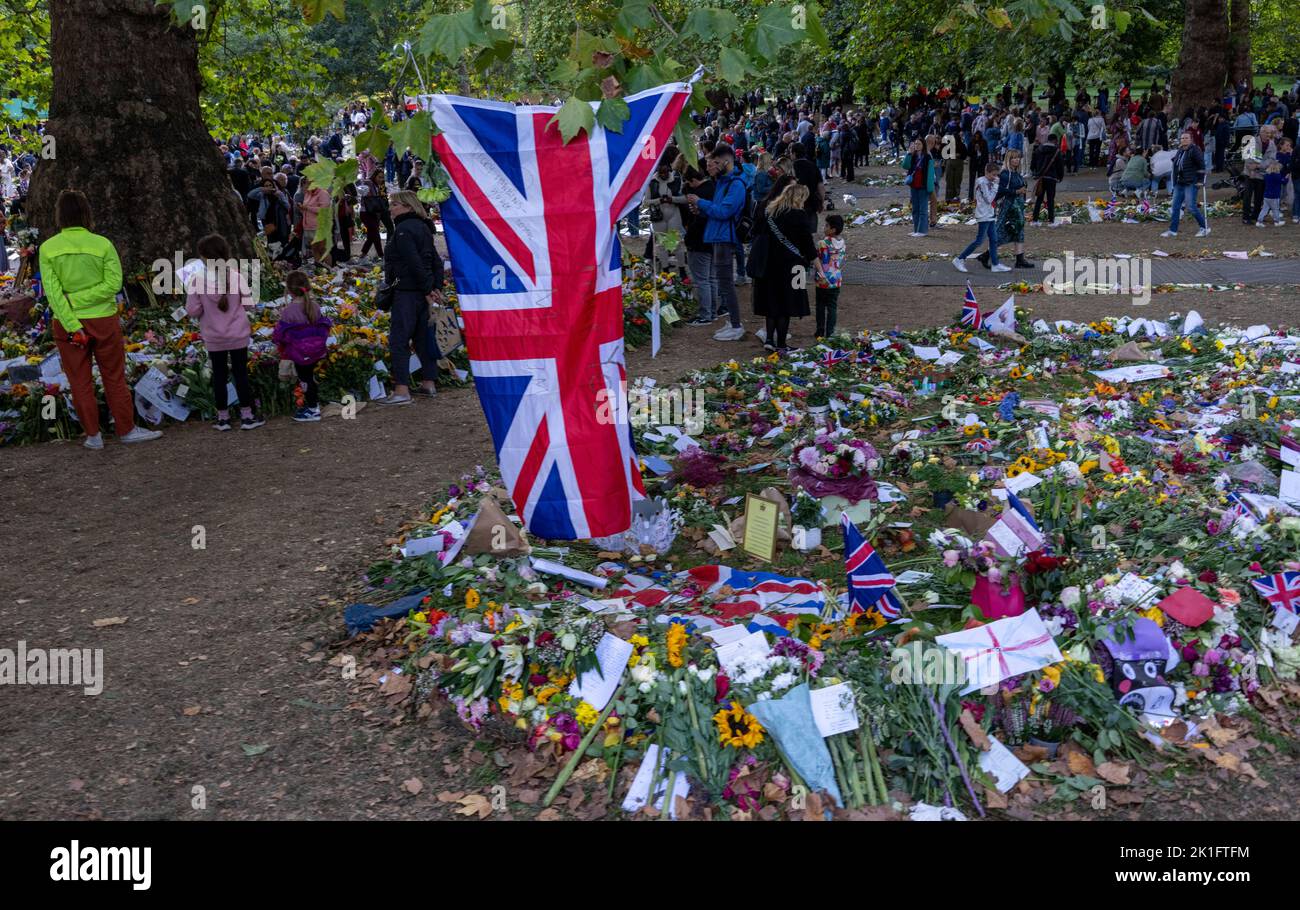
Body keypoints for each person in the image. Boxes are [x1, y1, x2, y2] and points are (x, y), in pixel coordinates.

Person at [40, 190, 161, 448]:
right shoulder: (103, 244)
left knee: (79, 380)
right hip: (103, 318)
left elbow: (53, 294)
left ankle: (93, 435)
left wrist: (73, 314)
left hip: (67, 321)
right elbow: (114, 283)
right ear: (87, 213)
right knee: (114, 376)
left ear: (59, 215)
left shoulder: (48, 248)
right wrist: (86, 299)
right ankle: (126, 429)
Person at [185, 234, 262, 431]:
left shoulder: (196, 280)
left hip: (214, 336)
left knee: (218, 376)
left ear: (203, 257)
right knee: (240, 374)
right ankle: (247, 415)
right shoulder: (236, 276)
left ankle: (223, 418)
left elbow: (192, 311)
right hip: (238, 334)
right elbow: (250, 304)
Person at [379, 190, 440, 403]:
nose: (390, 208)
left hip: (407, 292)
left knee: (399, 340)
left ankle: (402, 390)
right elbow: (435, 260)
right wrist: (435, 287)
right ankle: (429, 383)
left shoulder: (403, 230)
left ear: (408, 206)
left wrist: (427, 290)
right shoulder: (424, 227)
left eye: (394, 204)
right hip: (423, 293)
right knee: (424, 339)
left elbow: (413, 262)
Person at [685, 146, 747, 342]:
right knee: (722, 282)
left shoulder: (735, 185)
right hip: (716, 236)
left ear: (726, 162)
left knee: (726, 283)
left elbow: (724, 212)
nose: (712, 166)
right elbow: (717, 211)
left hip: (724, 239)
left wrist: (701, 202)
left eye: (716, 163)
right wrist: (701, 211)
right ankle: (732, 321)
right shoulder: (722, 182)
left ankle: (736, 325)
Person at [751, 182, 819, 353]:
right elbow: (808, 246)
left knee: (771, 304)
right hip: (791, 266)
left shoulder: (770, 212)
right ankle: (781, 343)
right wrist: (820, 267)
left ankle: (768, 339)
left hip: (767, 265)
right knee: (787, 305)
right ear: (800, 198)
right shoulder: (799, 216)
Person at [273, 271, 331, 422]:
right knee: (310, 377)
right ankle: (313, 405)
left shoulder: (288, 312)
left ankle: (313, 409)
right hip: (315, 351)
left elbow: (280, 336)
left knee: (305, 379)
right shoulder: (315, 306)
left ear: (289, 291)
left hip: (299, 353)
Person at [680, 159, 717, 326]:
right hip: (713, 239)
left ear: (693, 180)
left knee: (702, 279)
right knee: (711, 278)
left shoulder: (700, 194)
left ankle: (705, 314)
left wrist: (688, 237)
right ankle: (714, 310)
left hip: (699, 240)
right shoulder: (714, 187)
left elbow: (698, 219)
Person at [954, 163, 1009, 272]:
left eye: (996, 175)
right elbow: (989, 199)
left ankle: (995, 264)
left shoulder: (989, 182)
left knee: (994, 239)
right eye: (993, 175)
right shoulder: (982, 182)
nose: (995, 177)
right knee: (979, 240)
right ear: (987, 172)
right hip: (983, 214)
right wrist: (996, 186)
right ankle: (960, 259)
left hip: (990, 214)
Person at [984, 149, 1031, 269]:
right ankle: (986, 255)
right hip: (1009, 207)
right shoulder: (1005, 174)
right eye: (1013, 158)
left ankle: (1019, 259)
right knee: (1002, 232)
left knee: (1019, 231)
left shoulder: (1016, 173)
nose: (1016, 160)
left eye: (1018, 158)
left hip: (1017, 207)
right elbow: (1000, 191)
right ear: (1008, 160)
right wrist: (1016, 191)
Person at [1161, 131, 1211, 238]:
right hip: (1179, 183)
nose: (1183, 140)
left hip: (1191, 182)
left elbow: (1201, 165)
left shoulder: (1194, 150)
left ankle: (1204, 227)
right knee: (1175, 207)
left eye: (1186, 138)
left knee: (1191, 206)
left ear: (1191, 139)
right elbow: (1177, 164)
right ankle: (1172, 230)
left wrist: (1200, 181)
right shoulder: (1180, 150)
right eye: (1182, 138)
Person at [647, 158, 685, 272]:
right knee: (662, 244)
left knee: (676, 243)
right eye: (661, 172)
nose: (663, 175)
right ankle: (665, 269)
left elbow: (684, 198)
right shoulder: (651, 181)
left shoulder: (677, 180)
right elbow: (646, 201)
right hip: (658, 216)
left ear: (669, 170)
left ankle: (682, 269)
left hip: (673, 214)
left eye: (665, 172)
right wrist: (659, 200)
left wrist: (672, 199)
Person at [814, 213, 844, 338]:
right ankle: (830, 332)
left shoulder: (822, 243)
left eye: (827, 226)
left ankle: (820, 330)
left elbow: (820, 260)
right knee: (832, 306)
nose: (824, 228)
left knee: (820, 305)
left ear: (833, 229)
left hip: (823, 278)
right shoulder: (842, 243)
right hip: (836, 278)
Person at [901, 139, 935, 237]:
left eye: (919, 144)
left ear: (923, 145)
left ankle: (922, 230)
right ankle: (916, 229)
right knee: (915, 208)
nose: (917, 145)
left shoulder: (927, 157)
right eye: (915, 144)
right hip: (914, 185)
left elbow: (930, 173)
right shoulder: (913, 156)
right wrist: (908, 154)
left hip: (923, 185)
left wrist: (930, 187)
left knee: (923, 209)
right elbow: (905, 166)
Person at [1030, 138, 1064, 223]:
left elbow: (1032, 164)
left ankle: (1035, 220)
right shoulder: (1057, 151)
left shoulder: (1038, 150)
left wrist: (1035, 172)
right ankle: (1051, 220)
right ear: (1055, 141)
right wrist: (1060, 177)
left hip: (1041, 177)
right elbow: (1060, 166)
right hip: (1052, 178)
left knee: (1039, 199)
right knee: (1051, 199)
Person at [299, 175, 331, 264]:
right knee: (314, 249)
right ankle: (320, 270)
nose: (308, 183)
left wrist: (307, 208)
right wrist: (302, 209)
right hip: (309, 226)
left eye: (310, 181)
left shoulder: (323, 193)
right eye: (307, 182)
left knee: (322, 249)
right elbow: (306, 210)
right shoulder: (307, 194)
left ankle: (329, 271)